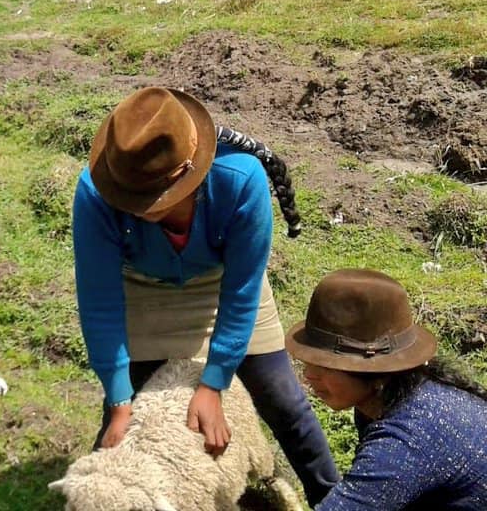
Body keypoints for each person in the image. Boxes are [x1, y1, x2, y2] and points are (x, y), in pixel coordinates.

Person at [73, 86, 340, 508]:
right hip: (143, 290)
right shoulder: (95, 192)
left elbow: (241, 290)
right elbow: (100, 304)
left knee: (284, 402)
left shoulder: (240, 179)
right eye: (128, 197)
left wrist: (214, 384)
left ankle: (337, 500)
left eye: (149, 200)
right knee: (121, 432)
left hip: (223, 287)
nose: (135, 208)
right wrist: (120, 400)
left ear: (187, 172)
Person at [287, 268, 487, 509]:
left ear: (374, 373)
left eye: (326, 366)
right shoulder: (389, 399)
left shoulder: (403, 442)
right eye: (309, 361)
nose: (308, 375)